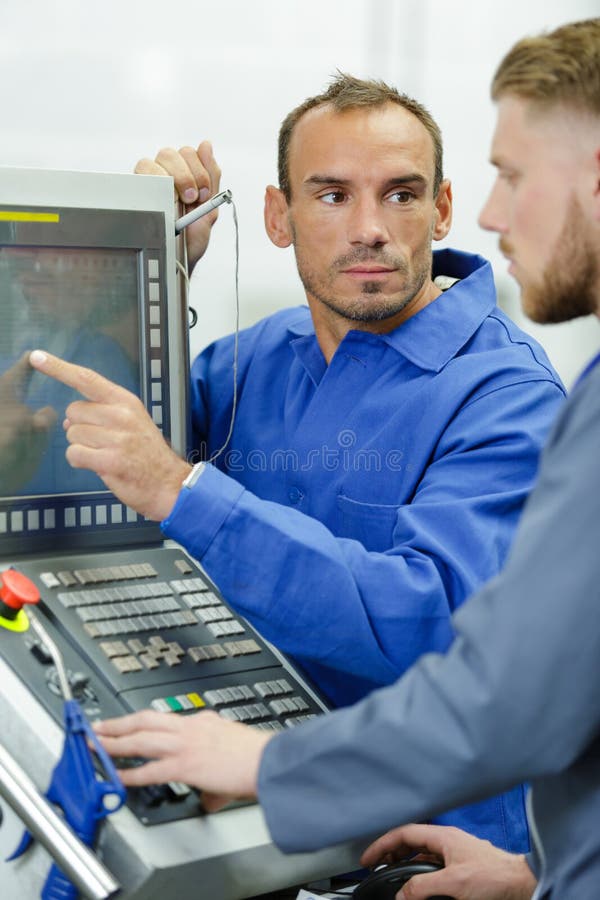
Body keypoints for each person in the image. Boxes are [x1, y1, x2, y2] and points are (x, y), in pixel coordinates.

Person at [75, 16, 600, 899]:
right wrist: (156, 269)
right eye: (331, 196)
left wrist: (189, 493)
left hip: (416, 852)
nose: (370, 229)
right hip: (245, 823)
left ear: (438, 206)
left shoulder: (509, 397)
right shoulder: (245, 364)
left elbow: (444, 635)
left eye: (401, 194)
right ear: (276, 217)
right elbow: (95, 445)